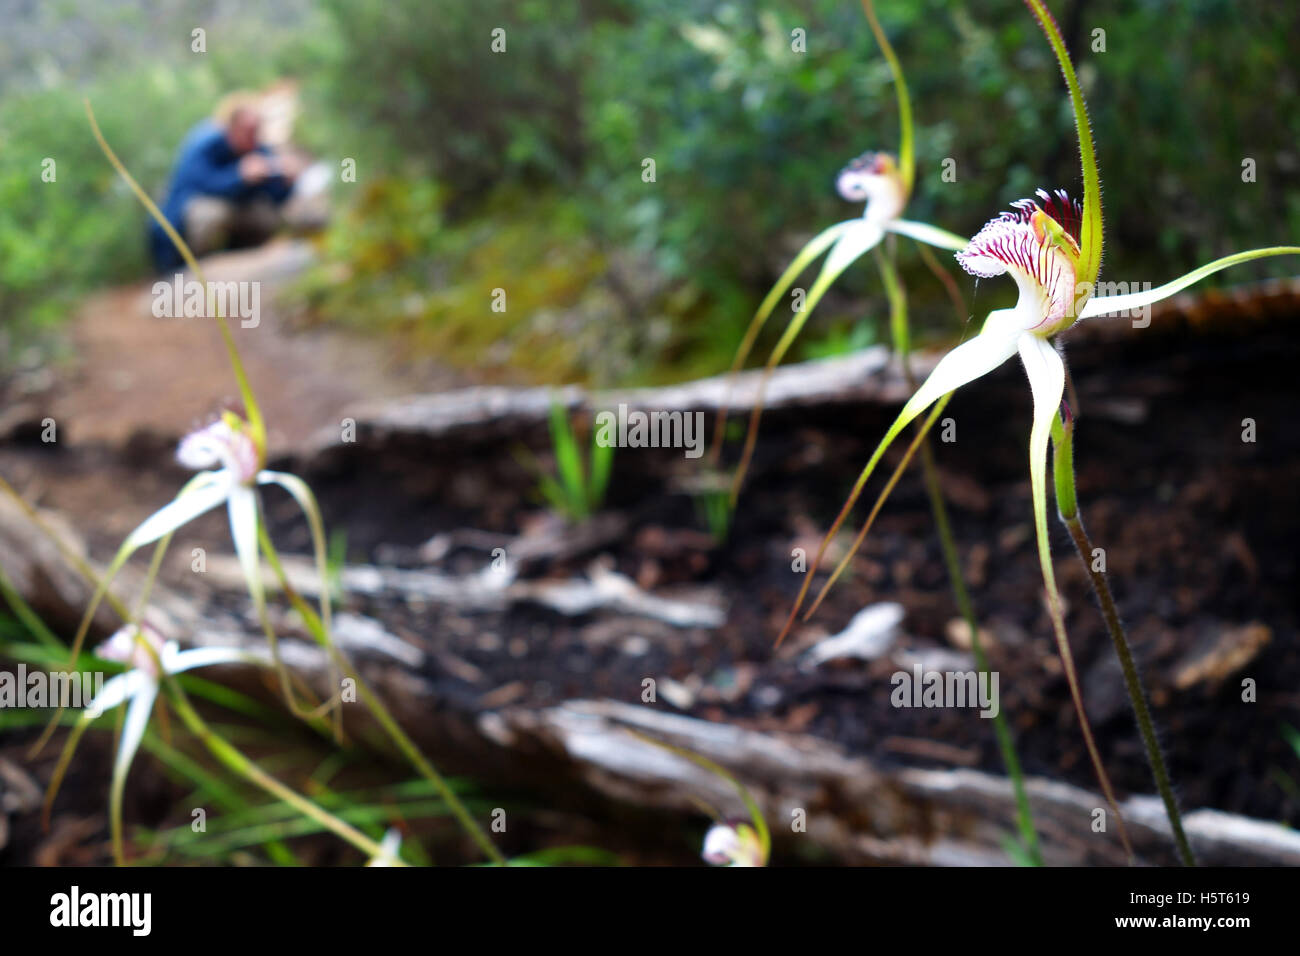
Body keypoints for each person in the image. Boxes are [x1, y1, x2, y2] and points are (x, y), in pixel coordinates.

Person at [149, 93, 307, 273]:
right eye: (248, 130)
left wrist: (287, 182)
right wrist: (239, 176)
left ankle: (241, 260)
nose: (253, 136)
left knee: (268, 216)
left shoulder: (256, 148)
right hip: (184, 220)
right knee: (209, 215)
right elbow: (198, 185)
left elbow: (276, 198)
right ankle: (195, 269)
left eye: (256, 130)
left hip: (236, 216)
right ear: (230, 126)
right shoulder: (203, 145)